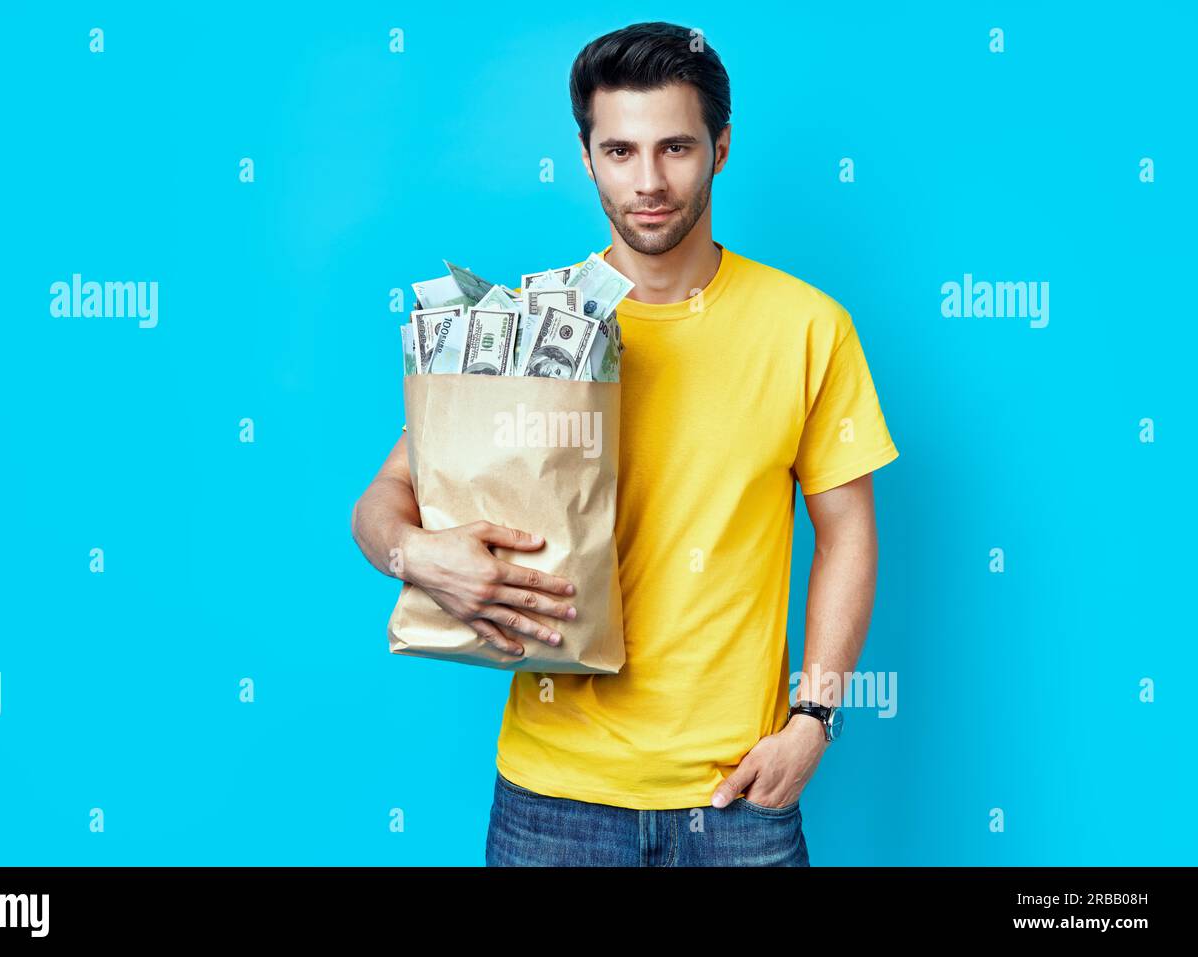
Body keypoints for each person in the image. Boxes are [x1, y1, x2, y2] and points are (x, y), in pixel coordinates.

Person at [350, 20, 899, 866]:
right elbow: (382, 504)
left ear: (720, 148)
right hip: (552, 798)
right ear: (586, 157)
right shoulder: (530, 318)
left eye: (675, 148)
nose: (648, 182)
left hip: (739, 794)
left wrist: (814, 719)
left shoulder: (807, 326)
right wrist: (415, 556)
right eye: (620, 151)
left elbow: (848, 531)